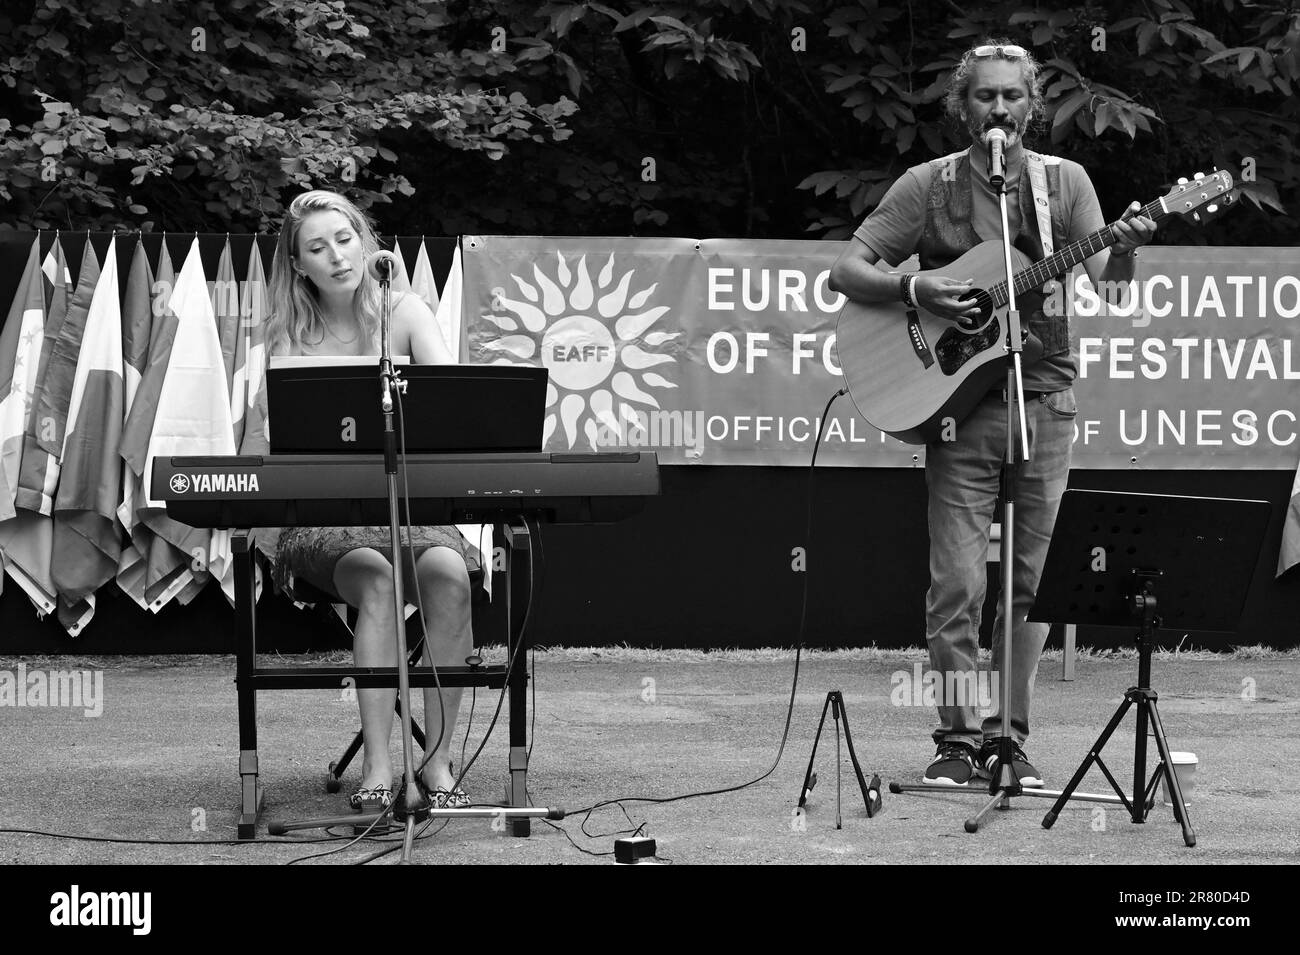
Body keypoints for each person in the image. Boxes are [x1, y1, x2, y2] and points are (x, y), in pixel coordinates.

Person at [829, 40, 1155, 787]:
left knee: (1034, 585)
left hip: (1045, 400)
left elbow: (1113, 289)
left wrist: (1129, 247)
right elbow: (846, 268)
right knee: (958, 584)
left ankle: (1009, 739)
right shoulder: (927, 184)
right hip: (959, 412)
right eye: (985, 96)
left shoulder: (1064, 183)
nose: (999, 109)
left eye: (1012, 96)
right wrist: (919, 293)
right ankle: (955, 741)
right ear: (962, 106)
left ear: (1032, 106)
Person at [265, 189, 474, 810]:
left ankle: (437, 763)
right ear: (298, 265)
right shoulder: (286, 332)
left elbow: (454, 414)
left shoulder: (405, 311)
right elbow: (288, 443)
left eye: (345, 238)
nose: (336, 255)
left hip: (411, 510)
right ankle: (381, 769)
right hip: (327, 518)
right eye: (317, 248)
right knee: (377, 578)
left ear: (366, 239)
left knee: (450, 575)